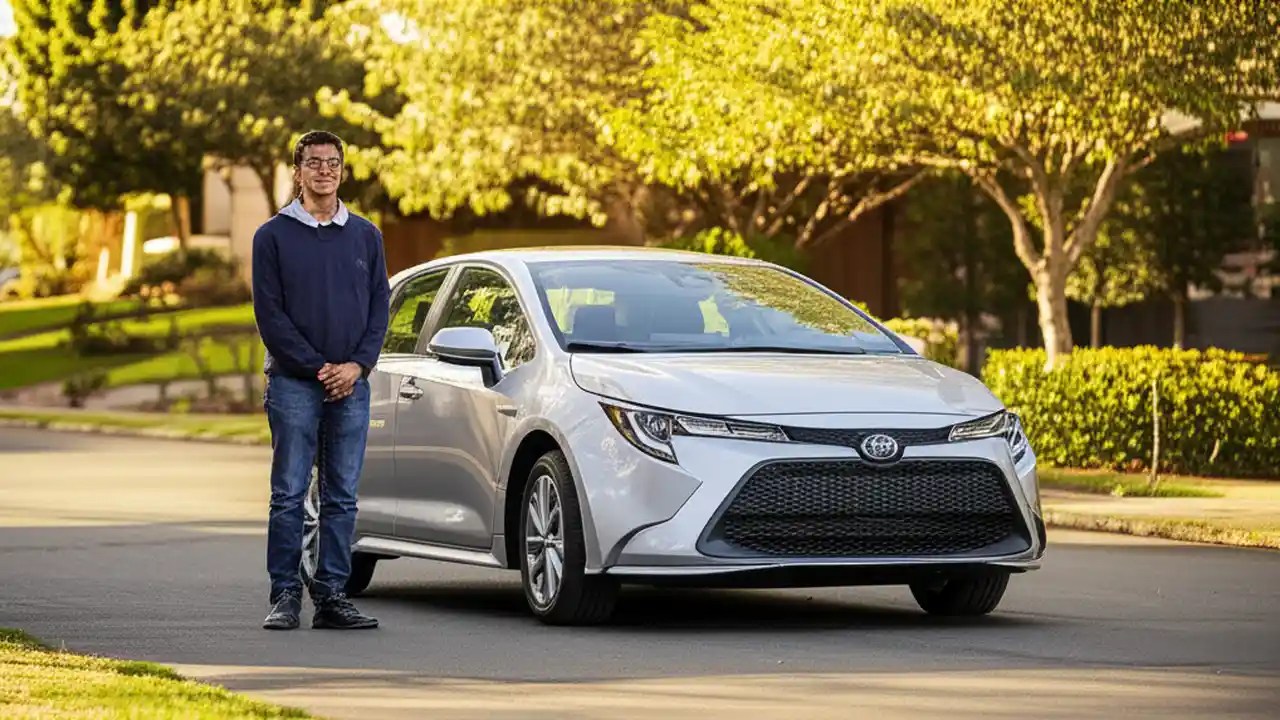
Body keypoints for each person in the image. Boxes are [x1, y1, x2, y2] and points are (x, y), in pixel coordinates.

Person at [251, 130, 390, 630]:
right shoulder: (271, 237)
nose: (324, 170)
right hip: (293, 383)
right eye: (314, 162)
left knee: (342, 496)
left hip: (351, 383)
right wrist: (318, 368)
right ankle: (285, 594)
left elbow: (380, 308)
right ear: (298, 170)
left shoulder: (366, 236)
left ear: (343, 171)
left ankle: (331, 596)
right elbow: (270, 317)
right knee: (289, 493)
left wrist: (356, 366)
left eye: (333, 163)